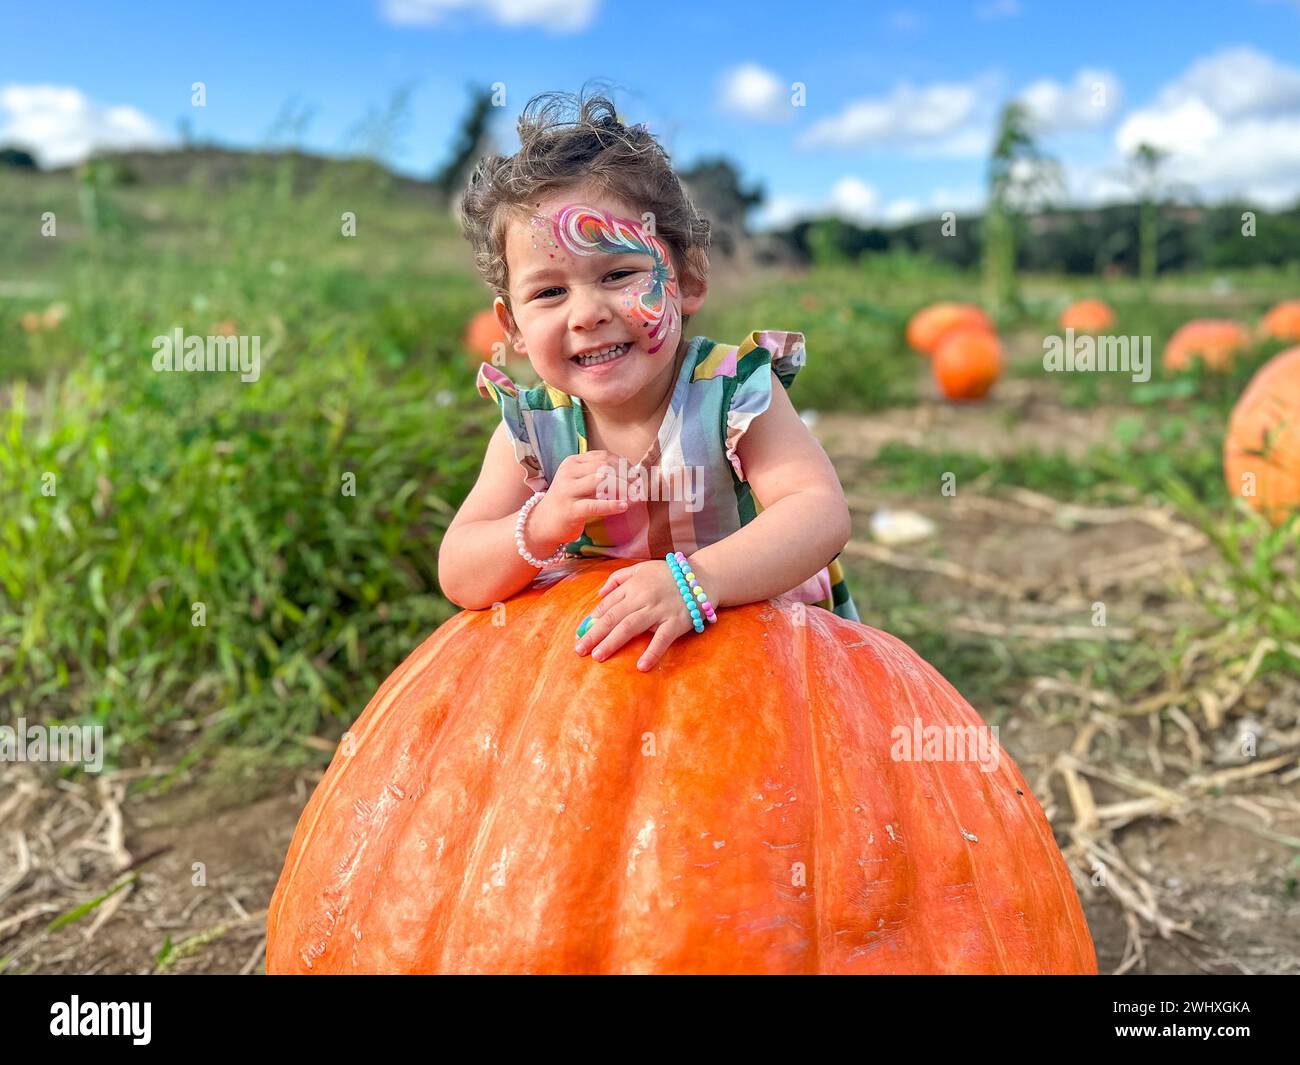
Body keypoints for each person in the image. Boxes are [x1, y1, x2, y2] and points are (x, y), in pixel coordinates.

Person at [439, 89, 861, 674]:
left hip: (747, 644)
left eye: (618, 274)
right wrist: (539, 523)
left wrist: (699, 580)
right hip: (598, 667)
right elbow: (459, 572)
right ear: (511, 324)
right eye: (550, 292)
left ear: (685, 280)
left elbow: (818, 511)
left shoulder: (732, 392)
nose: (586, 314)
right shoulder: (535, 432)